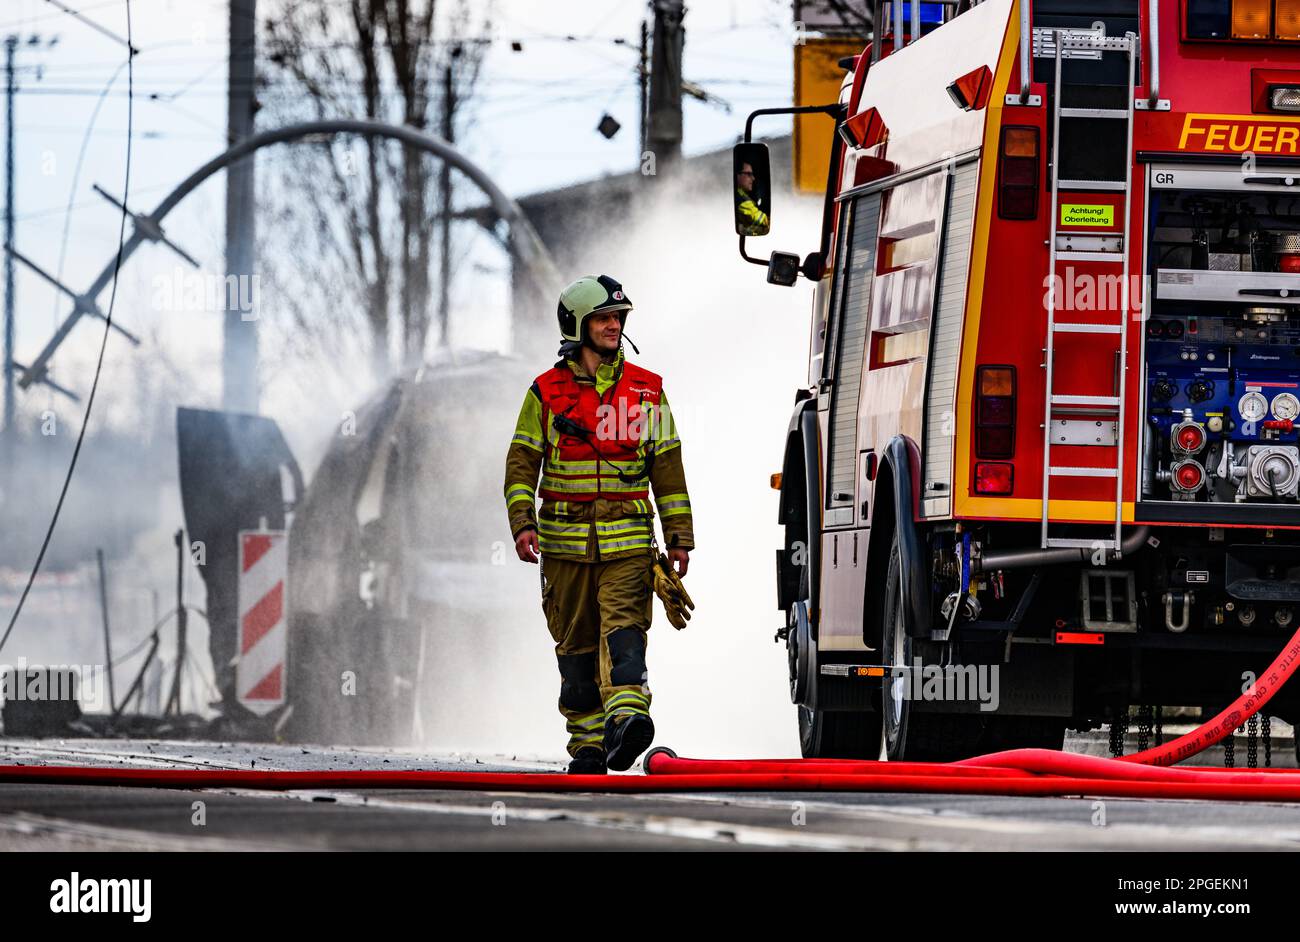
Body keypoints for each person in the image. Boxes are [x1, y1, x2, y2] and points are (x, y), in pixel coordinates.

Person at [504, 275, 694, 774]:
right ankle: (588, 748)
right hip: (564, 549)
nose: (614, 325)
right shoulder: (544, 393)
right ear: (577, 325)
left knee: (625, 634)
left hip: (629, 544)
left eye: (618, 318)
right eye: (603, 318)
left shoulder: (648, 391)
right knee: (576, 648)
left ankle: (629, 721)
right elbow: (522, 463)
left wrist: (679, 538)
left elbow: (667, 467)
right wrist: (522, 523)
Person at [735, 163, 769, 236]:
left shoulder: (742, 195)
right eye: (749, 174)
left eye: (752, 174)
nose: (753, 178)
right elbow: (761, 220)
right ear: (737, 176)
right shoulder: (741, 200)